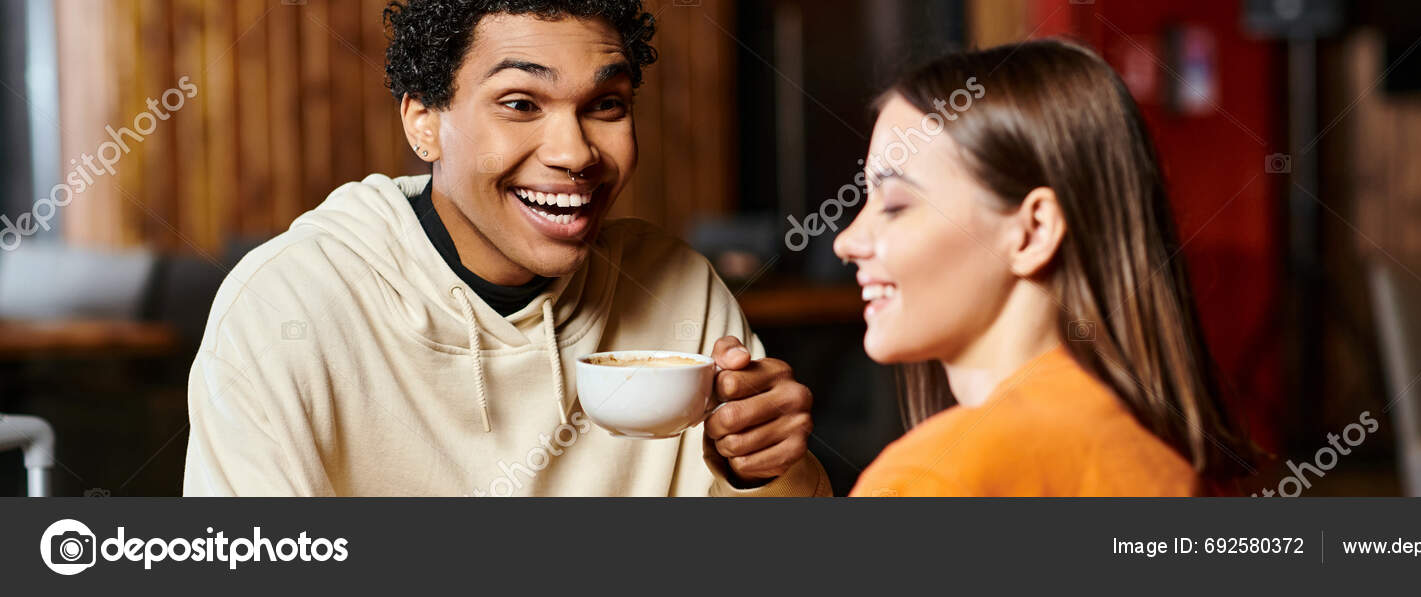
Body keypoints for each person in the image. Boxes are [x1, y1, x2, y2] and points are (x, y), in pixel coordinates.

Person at [183, 0, 828, 497]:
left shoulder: (678, 290)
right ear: (423, 123)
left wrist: (770, 470)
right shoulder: (286, 305)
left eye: (606, 104)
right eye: (520, 103)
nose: (574, 153)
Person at [836, 39, 1252, 497]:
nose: (846, 241)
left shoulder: (930, 477)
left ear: (1033, 231)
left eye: (894, 204)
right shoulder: (1162, 459)